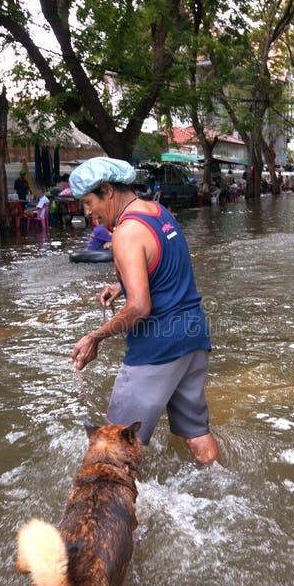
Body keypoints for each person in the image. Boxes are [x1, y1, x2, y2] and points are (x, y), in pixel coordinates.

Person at [70, 156, 220, 465]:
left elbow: (140, 307)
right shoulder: (159, 212)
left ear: (107, 190)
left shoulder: (125, 232)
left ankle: (118, 512)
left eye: (87, 202)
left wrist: (96, 337)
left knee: (113, 448)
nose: (87, 212)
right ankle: (223, 487)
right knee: (196, 435)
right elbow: (163, 266)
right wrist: (122, 285)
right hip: (193, 338)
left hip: (158, 347)